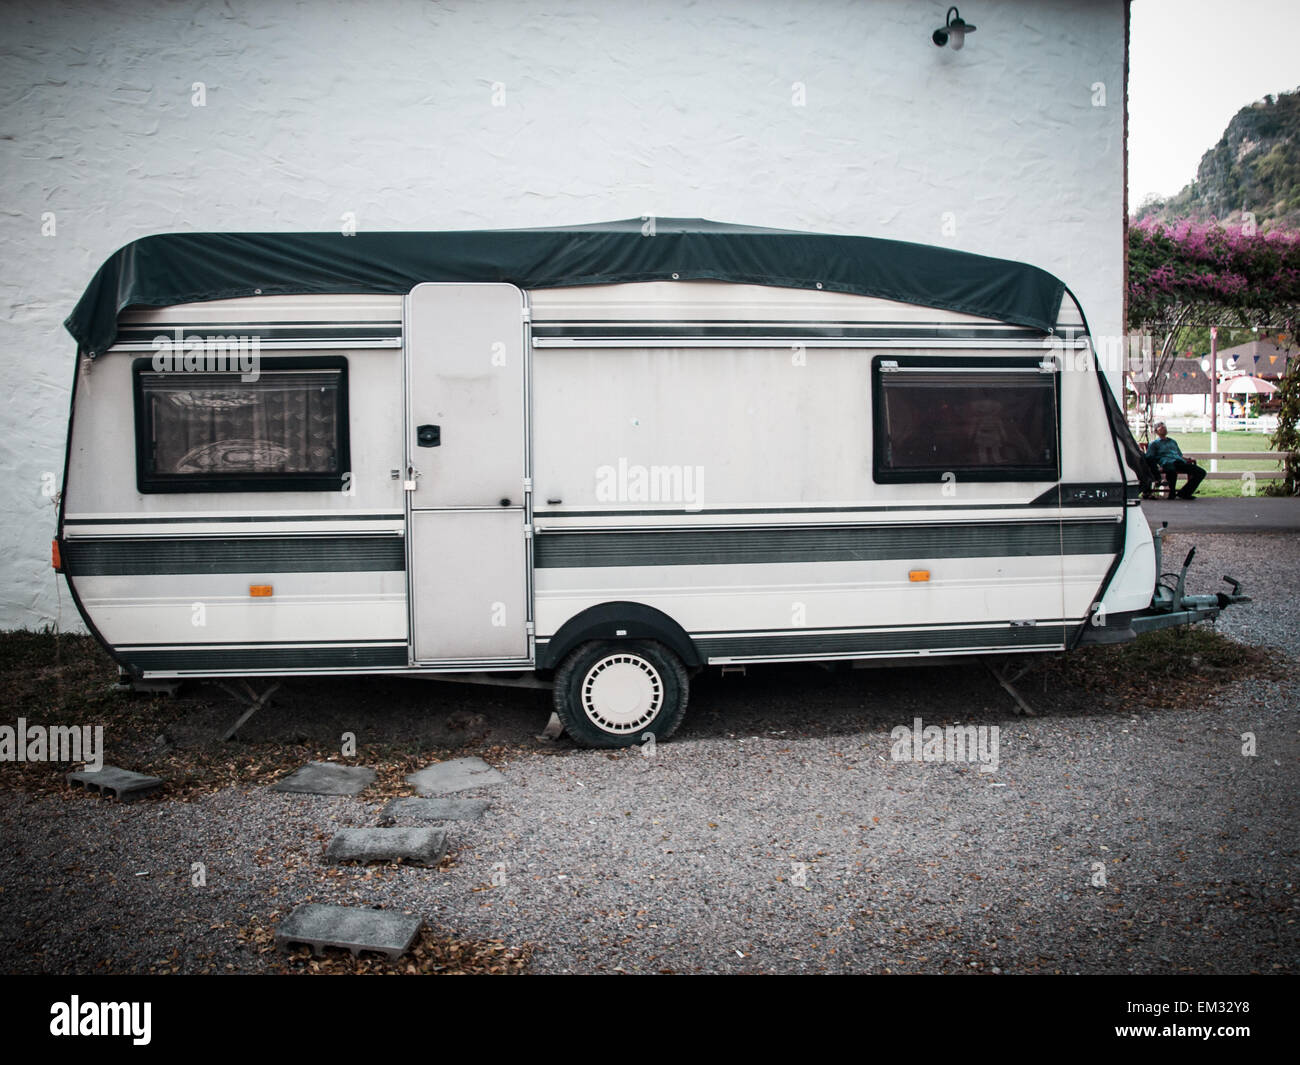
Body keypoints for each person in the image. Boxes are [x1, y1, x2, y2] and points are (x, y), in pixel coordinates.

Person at [1145, 421, 1206, 500]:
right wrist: (1156, 467)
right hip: (1167, 463)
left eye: (1165, 427)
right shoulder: (1154, 444)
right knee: (1171, 469)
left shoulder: (1172, 441)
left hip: (1179, 462)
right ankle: (1174, 493)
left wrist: (1188, 459)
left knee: (1201, 472)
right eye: (1162, 428)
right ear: (1156, 431)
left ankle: (1184, 492)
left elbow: (1179, 455)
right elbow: (1150, 457)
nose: (1164, 429)